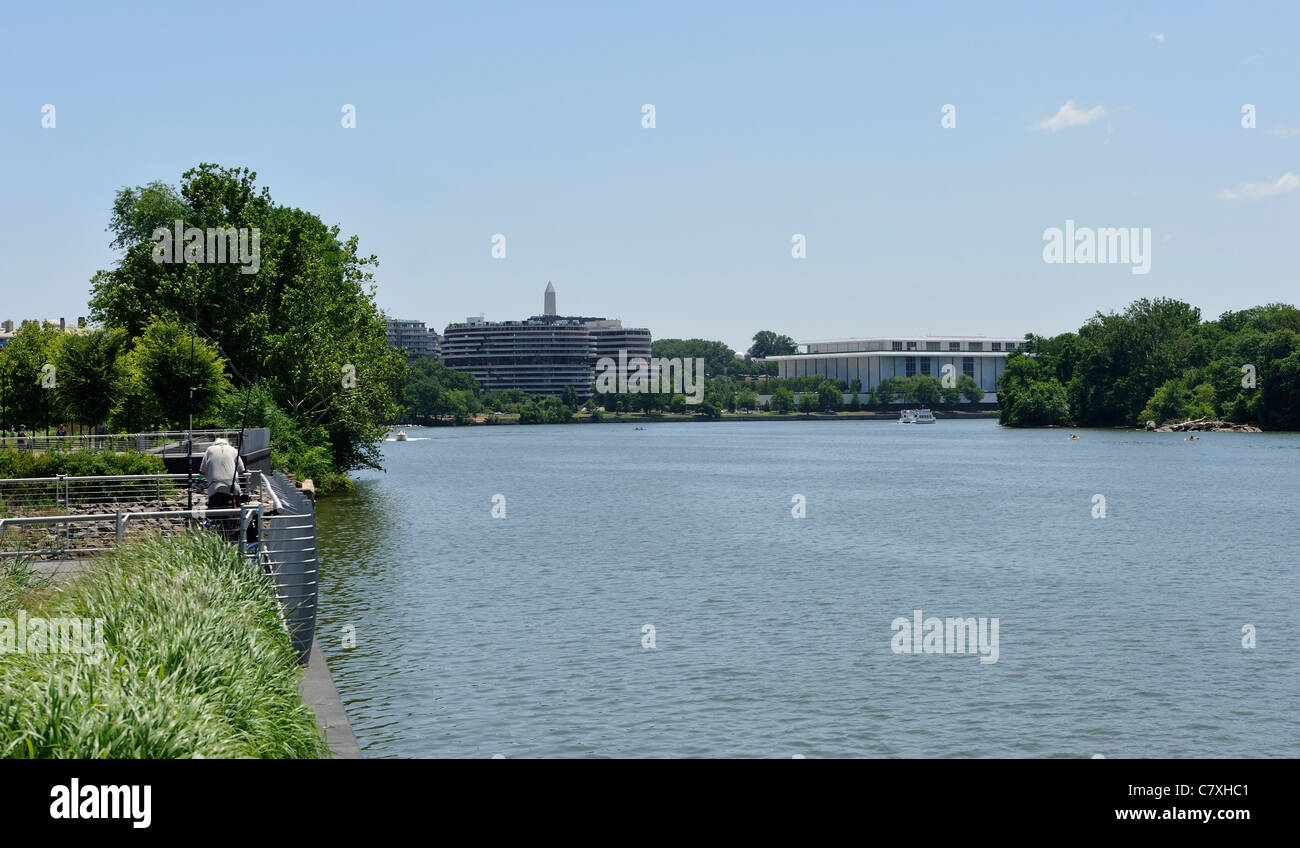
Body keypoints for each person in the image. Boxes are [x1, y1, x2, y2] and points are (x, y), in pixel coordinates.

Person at [199, 437, 245, 510]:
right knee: (235, 509)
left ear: (215, 443)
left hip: (214, 486)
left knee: (215, 510)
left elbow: (202, 470)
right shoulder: (233, 450)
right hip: (232, 485)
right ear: (227, 443)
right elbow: (241, 469)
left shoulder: (210, 450)